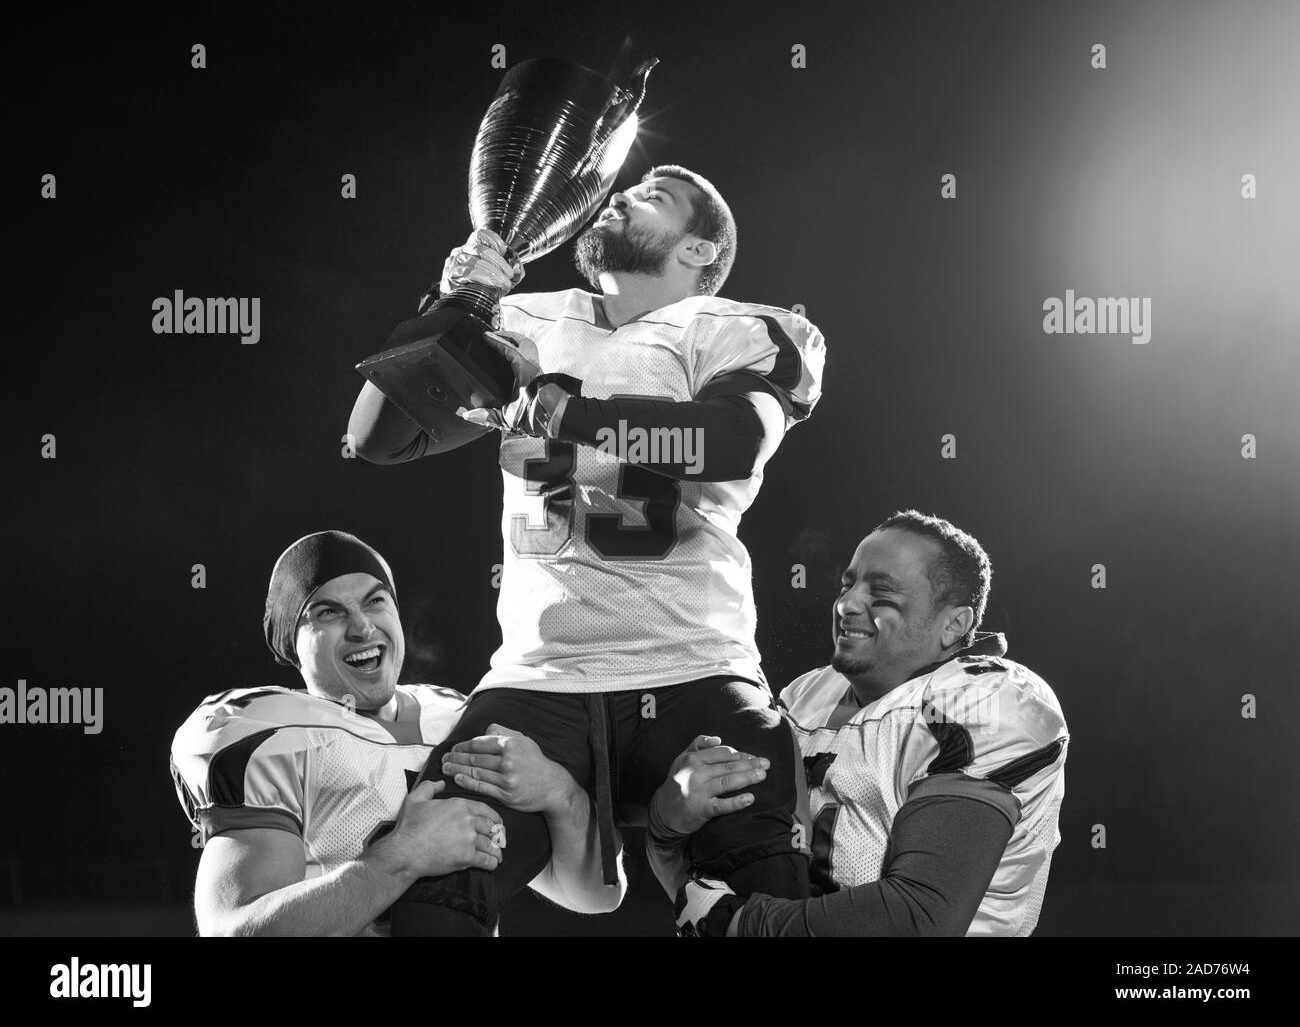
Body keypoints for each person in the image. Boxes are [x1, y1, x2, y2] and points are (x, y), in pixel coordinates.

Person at [349, 165, 826, 935]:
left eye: (654, 197)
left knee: (759, 893)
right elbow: (378, 439)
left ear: (702, 250)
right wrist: (455, 306)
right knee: (427, 884)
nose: (619, 196)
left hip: (696, 668)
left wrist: (565, 411)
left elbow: (731, 441)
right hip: (540, 679)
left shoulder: (738, 328)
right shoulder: (523, 319)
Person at [169, 531, 622, 936]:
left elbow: (596, 895)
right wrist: (402, 856)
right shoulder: (272, 735)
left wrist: (560, 794)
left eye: (375, 600)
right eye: (327, 612)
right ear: (292, 641)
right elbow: (235, 931)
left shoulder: (459, 719)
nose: (362, 626)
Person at [655, 510, 1069, 936]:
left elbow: (919, 919)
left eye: (882, 593)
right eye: (848, 584)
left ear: (954, 625)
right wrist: (667, 827)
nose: (847, 603)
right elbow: (700, 900)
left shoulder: (986, 701)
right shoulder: (805, 697)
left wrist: (739, 925)